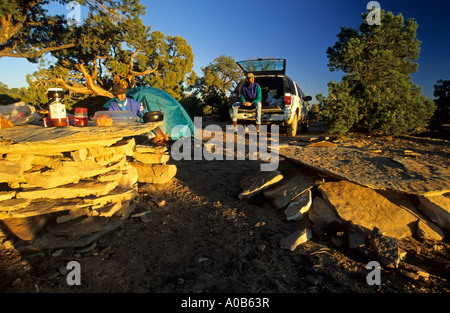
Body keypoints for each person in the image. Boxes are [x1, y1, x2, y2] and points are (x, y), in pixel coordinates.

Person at [108, 80, 170, 144]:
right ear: (115, 95)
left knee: (148, 138)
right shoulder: (112, 106)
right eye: (119, 94)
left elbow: (145, 114)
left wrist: (158, 131)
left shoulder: (133, 103)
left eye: (123, 93)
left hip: (135, 132)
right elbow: (109, 122)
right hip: (121, 134)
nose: (122, 95)